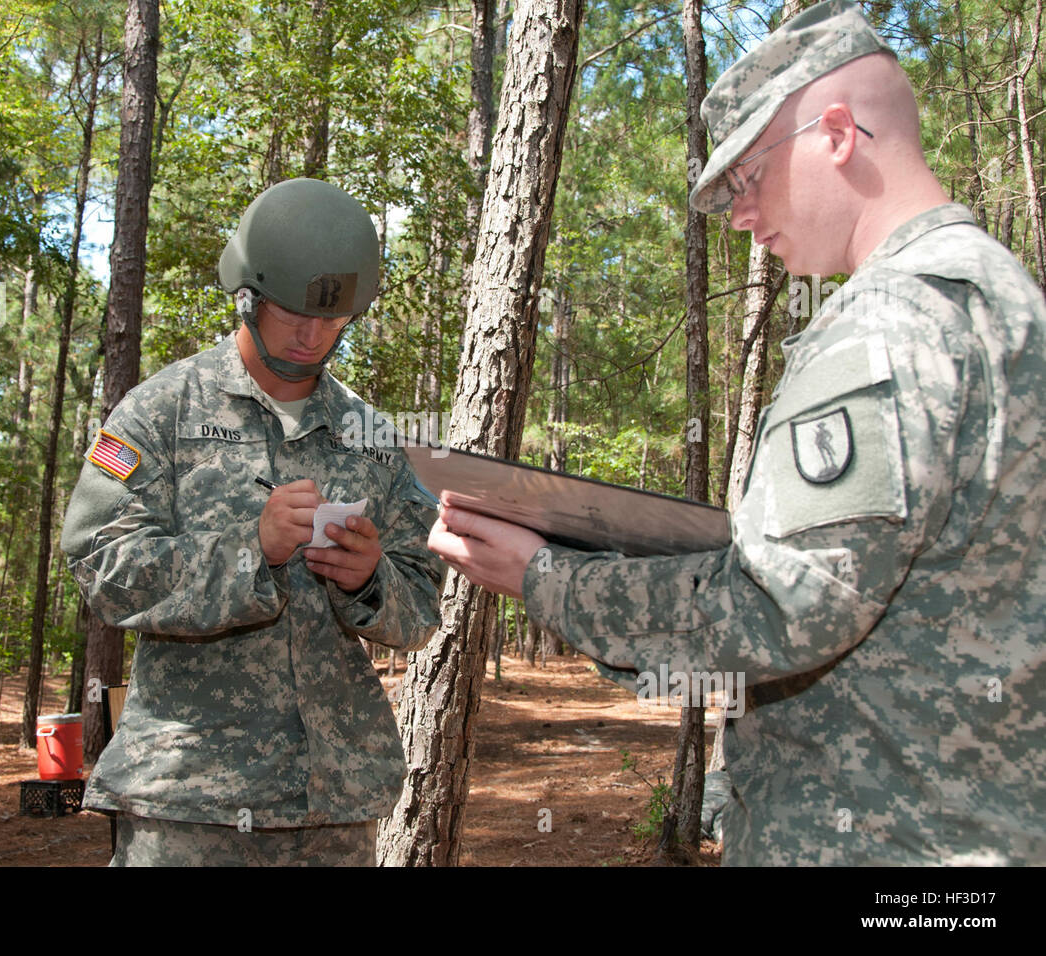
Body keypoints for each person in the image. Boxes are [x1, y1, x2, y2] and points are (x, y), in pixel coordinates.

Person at [428, 0, 1046, 865]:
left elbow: (780, 609)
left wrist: (546, 578)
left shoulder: (890, 326)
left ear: (837, 132)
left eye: (748, 178)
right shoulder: (1005, 301)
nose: (739, 215)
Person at [61, 177, 444, 866]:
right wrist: (248, 552)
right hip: (186, 803)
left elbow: (420, 608)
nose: (312, 334)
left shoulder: (372, 438)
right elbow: (102, 567)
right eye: (295, 312)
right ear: (249, 294)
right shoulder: (161, 413)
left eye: (332, 319)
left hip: (330, 805)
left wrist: (369, 582)